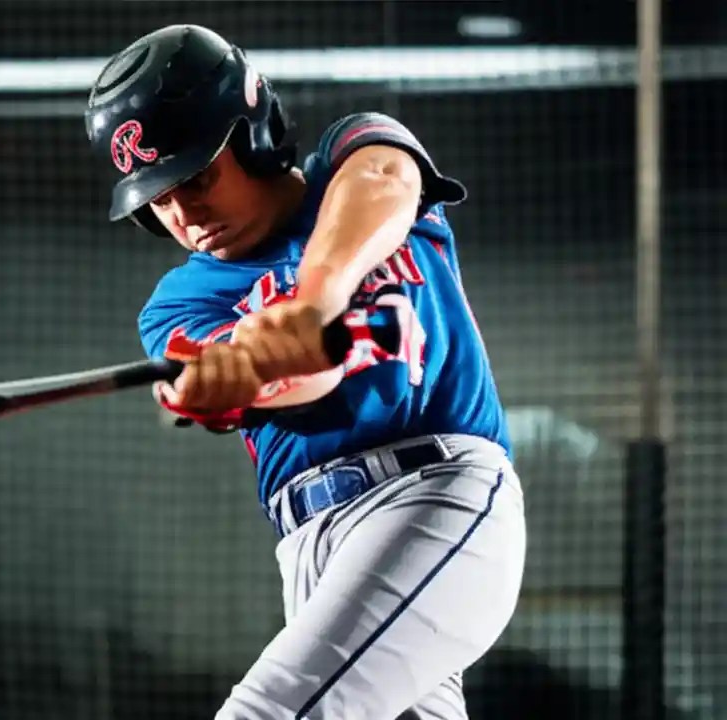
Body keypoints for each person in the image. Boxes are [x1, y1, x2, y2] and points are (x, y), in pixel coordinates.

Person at [84, 25, 527, 720]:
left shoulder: (355, 155)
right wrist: (241, 376)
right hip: (310, 552)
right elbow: (297, 385)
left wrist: (316, 300)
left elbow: (386, 179)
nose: (183, 212)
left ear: (253, 133)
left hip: (434, 495)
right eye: (158, 197)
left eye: (197, 175)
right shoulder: (180, 303)